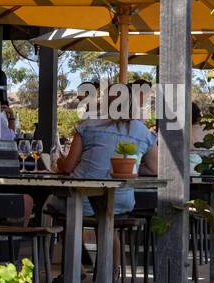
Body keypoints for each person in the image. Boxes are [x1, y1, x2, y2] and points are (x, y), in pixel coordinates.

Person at [53, 81, 158, 216]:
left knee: (51, 203)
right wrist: (129, 166)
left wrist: (58, 162)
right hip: (122, 201)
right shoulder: (143, 132)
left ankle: (66, 236)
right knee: (109, 220)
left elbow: (68, 167)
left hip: (82, 200)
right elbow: (154, 169)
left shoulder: (87, 125)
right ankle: (107, 236)